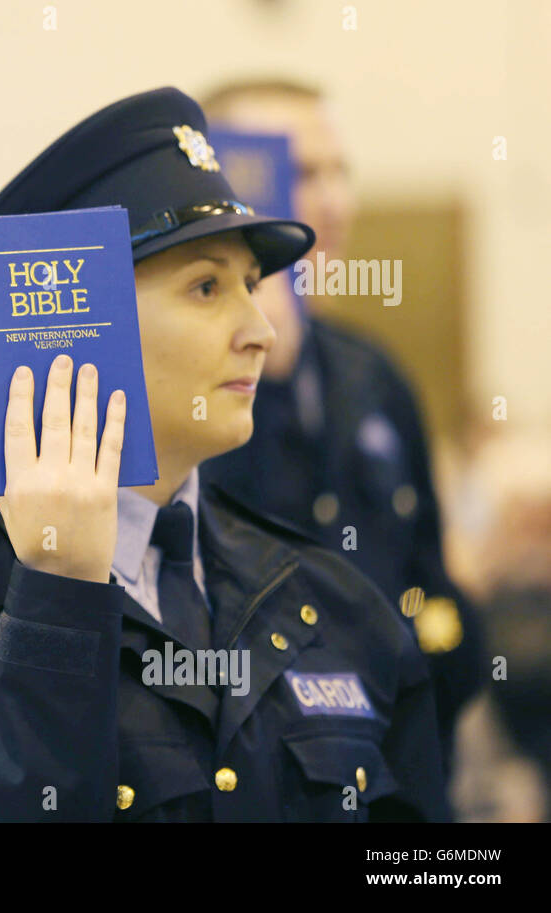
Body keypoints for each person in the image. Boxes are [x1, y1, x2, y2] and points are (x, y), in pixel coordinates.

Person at [0, 87, 448, 822]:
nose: (262, 330)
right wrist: (60, 593)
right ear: (78, 325)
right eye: (207, 286)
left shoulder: (332, 598)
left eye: (252, 285)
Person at [196, 79, 484, 759]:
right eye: (299, 174)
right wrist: (267, 373)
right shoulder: (178, 391)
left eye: (340, 172)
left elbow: (434, 594)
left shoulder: (372, 375)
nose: (336, 203)